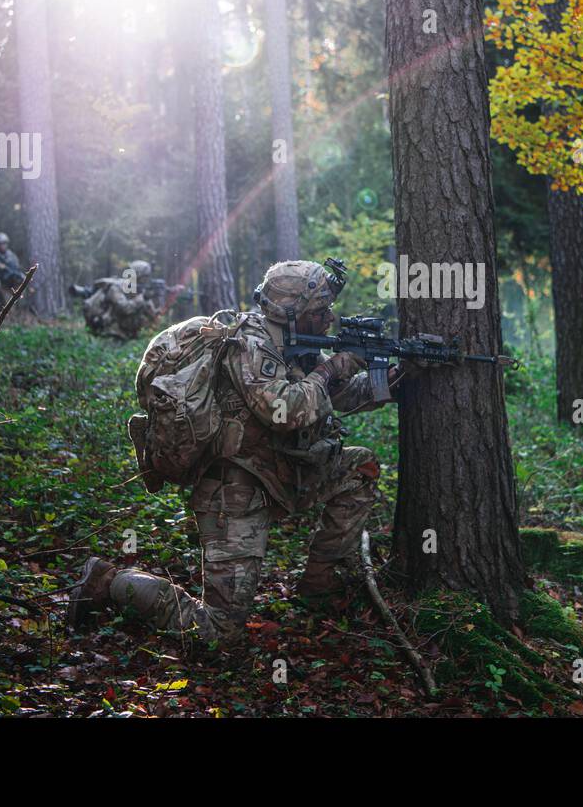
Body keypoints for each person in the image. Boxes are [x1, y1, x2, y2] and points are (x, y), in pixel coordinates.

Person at [68, 259, 407, 646]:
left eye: (328, 307)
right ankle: (110, 581)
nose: (329, 317)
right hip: (234, 490)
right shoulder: (250, 343)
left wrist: (392, 379)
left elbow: (334, 396)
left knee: (358, 468)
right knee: (217, 633)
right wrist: (334, 368)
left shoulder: (299, 345)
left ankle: (319, 589)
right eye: (320, 310)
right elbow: (285, 409)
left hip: (281, 471)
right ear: (292, 311)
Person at [80, 260, 159, 341]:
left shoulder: (138, 290)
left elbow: (151, 314)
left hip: (127, 334)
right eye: (144, 277)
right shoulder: (116, 288)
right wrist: (142, 298)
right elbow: (124, 308)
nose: (146, 280)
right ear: (137, 276)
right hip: (111, 334)